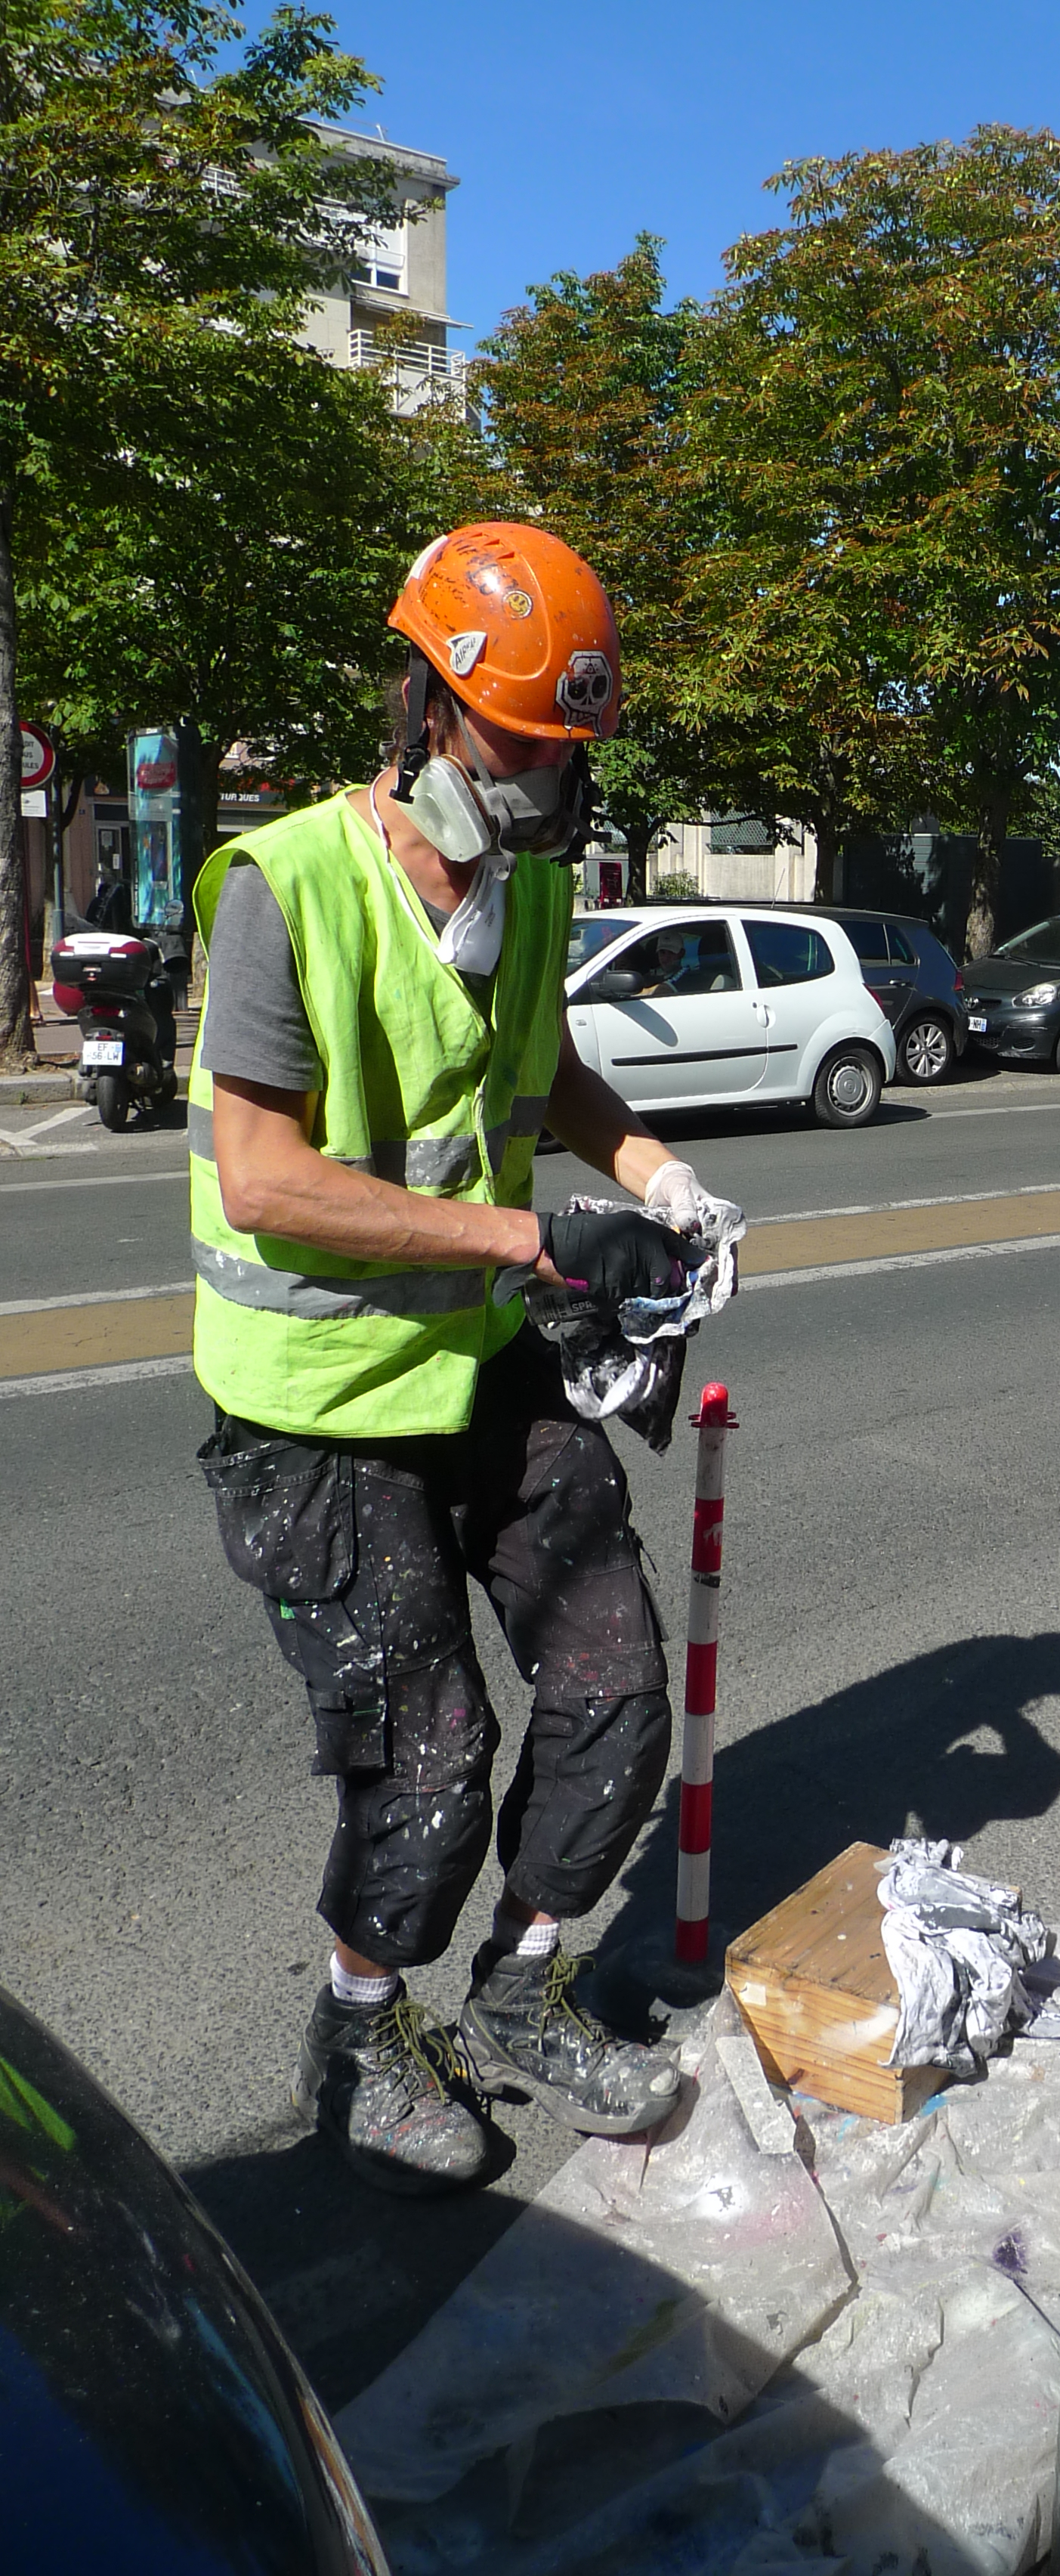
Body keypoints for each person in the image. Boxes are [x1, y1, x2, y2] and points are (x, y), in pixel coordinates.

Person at [188, 522, 721, 2197]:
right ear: (425, 707)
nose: (556, 789)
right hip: (318, 1412)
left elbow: (543, 1065)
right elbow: (265, 1177)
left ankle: (518, 1989)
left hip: (484, 1365)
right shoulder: (289, 886)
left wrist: (652, 1175)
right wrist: (530, 1238)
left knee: (620, 1686)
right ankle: (359, 2029)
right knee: (429, 1758)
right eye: (528, 750)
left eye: (576, 757)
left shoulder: (540, 878)